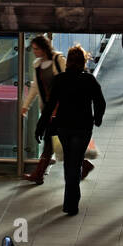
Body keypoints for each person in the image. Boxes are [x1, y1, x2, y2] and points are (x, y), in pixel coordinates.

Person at [40, 44, 106, 215]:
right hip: (83, 128)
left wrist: (41, 126)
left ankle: (70, 201)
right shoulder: (89, 80)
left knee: (70, 162)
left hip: (63, 127)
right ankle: (71, 203)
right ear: (84, 62)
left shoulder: (60, 79)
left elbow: (50, 105)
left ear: (68, 61)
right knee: (74, 163)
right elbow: (100, 102)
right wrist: (97, 119)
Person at [19, 34, 65, 184]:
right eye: (33, 49)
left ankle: (38, 174)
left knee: (50, 141)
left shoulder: (58, 60)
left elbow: (67, 82)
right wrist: (26, 105)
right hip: (47, 109)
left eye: (36, 49)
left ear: (44, 48)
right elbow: (35, 87)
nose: (34, 52)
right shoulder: (37, 64)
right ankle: (84, 165)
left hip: (61, 109)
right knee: (58, 141)